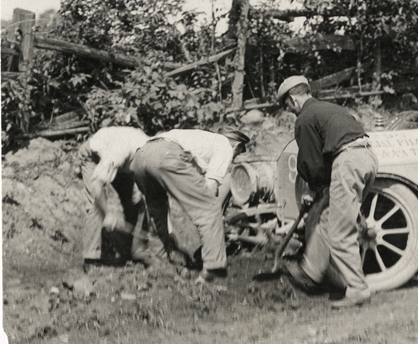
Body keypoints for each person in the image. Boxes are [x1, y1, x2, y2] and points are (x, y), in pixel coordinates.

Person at [276, 75, 378, 309]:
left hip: (348, 162)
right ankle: (312, 270)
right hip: (368, 158)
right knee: (327, 215)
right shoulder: (330, 108)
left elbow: (312, 163)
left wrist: (312, 189)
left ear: (292, 100)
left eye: (287, 106)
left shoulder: (304, 118)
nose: (289, 111)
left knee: (339, 232)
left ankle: (357, 289)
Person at [131, 126, 250, 282]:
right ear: (237, 146)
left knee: (157, 212)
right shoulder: (224, 145)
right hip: (166, 155)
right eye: (238, 153)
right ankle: (213, 268)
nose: (234, 159)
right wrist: (214, 226)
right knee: (209, 208)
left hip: (140, 157)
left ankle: (159, 265)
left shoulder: (199, 140)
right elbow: (210, 190)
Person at [79, 126, 151, 268]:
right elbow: (97, 185)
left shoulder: (150, 151)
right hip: (93, 155)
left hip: (124, 158)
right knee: (96, 203)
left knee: (136, 200)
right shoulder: (117, 154)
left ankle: (137, 250)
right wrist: (108, 213)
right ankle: (91, 259)